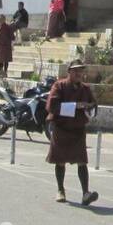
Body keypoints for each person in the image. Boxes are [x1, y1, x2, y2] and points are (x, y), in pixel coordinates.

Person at [46, 61, 98, 205]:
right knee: (60, 161)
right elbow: (52, 106)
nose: (78, 74)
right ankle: (60, 190)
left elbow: (93, 106)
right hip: (61, 128)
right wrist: (76, 106)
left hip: (78, 130)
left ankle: (85, 193)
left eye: (80, 71)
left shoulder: (86, 89)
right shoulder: (59, 86)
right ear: (69, 72)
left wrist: (90, 109)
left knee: (82, 161)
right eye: (75, 71)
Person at [0, 14, 15, 78]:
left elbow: (12, 36)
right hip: (0, 46)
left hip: (6, 46)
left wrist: (9, 40)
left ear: (4, 20)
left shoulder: (8, 27)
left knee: (6, 60)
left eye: (1, 19)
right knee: (0, 60)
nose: (0, 20)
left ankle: (5, 72)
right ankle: (1, 71)